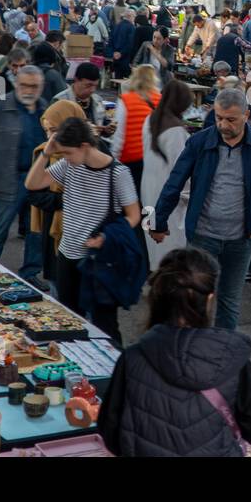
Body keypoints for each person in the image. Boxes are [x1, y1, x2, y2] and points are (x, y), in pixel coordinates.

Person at [97, 247, 251, 456]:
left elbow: (110, 431)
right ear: (209, 299)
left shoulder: (132, 358)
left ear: (158, 296)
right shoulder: (233, 359)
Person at [151, 88, 251, 332]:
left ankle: (222, 353)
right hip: (202, 236)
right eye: (219, 117)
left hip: (241, 239)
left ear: (247, 115)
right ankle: (192, 348)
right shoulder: (200, 142)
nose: (223, 124)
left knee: (229, 300)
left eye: (230, 119)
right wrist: (159, 222)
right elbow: (174, 182)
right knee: (194, 297)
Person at [25, 116, 140, 341]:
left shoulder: (118, 174)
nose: (64, 157)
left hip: (100, 260)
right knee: (70, 321)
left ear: (84, 146)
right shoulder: (69, 165)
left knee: (105, 325)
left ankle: (112, 370)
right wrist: (46, 154)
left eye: (68, 152)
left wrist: (108, 236)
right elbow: (32, 184)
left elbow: (134, 215)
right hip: (67, 255)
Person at [0, 65, 48, 279]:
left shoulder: (45, 108)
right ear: (17, 84)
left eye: (34, 86)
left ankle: (30, 273)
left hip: (36, 180)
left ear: (41, 87)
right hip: (8, 179)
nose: (29, 90)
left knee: (36, 232)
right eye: (25, 85)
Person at [28, 100, 84, 292]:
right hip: (54, 231)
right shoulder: (43, 154)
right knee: (59, 290)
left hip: (85, 235)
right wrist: (67, 200)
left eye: (53, 130)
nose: (49, 137)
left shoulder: (92, 153)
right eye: (46, 131)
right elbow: (34, 195)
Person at [141, 80, 193, 271]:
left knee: (154, 248)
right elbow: (181, 172)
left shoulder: (150, 119)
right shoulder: (176, 131)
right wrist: (189, 197)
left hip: (148, 189)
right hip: (168, 198)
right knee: (171, 251)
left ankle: (157, 279)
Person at [110, 64, 162, 192]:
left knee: (127, 199)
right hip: (152, 158)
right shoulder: (159, 99)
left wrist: (113, 159)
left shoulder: (126, 99)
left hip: (129, 158)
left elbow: (119, 134)